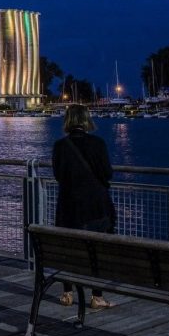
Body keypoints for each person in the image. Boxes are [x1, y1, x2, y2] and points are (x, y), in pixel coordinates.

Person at [52, 104, 115, 310]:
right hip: (95, 206)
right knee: (96, 250)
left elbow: (58, 176)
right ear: (87, 120)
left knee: (68, 248)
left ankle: (67, 293)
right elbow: (107, 173)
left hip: (68, 205)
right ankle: (97, 296)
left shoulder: (60, 146)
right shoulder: (97, 143)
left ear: (67, 121)